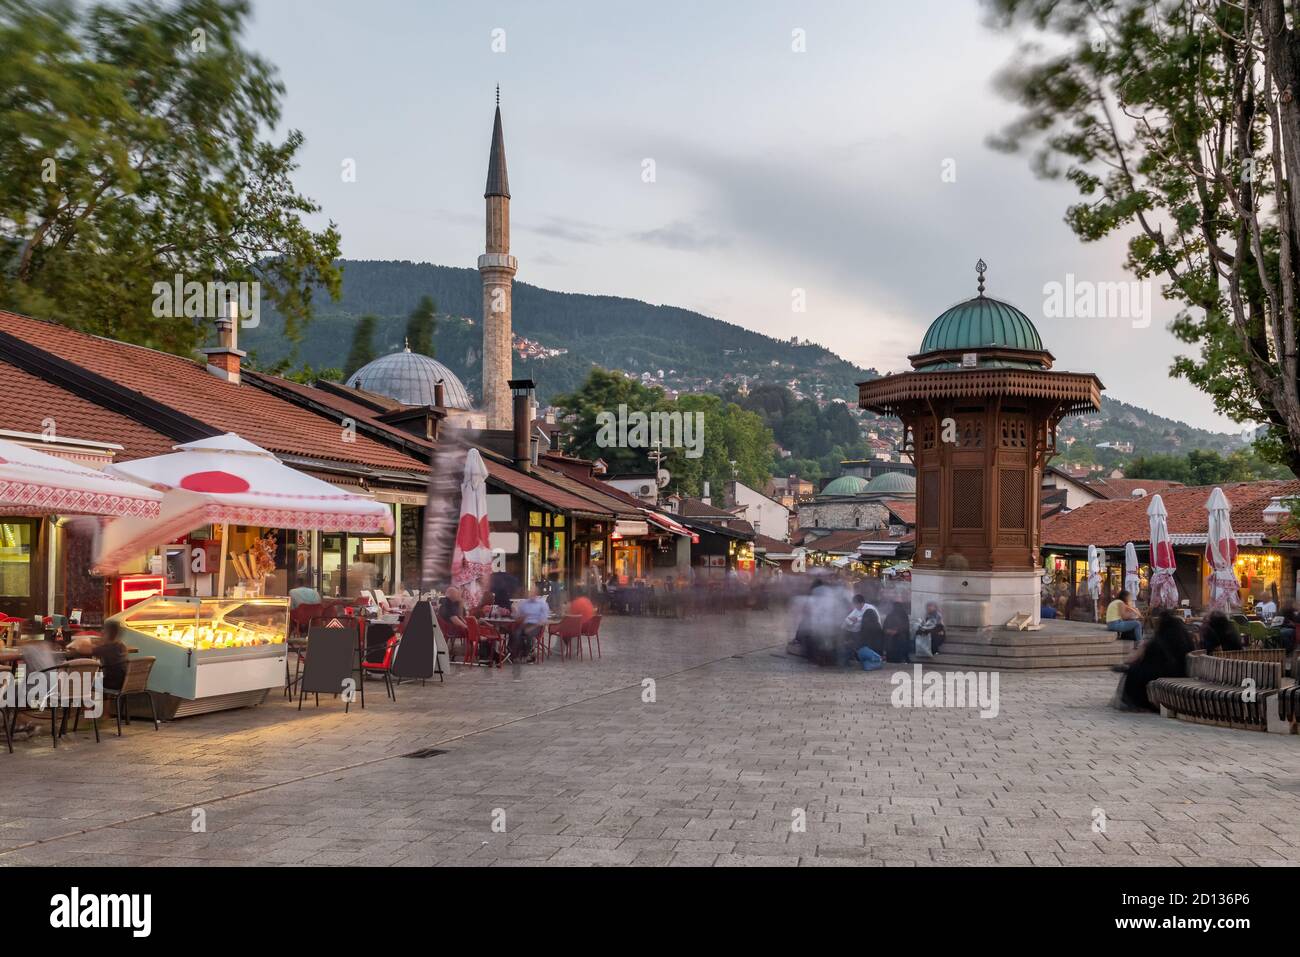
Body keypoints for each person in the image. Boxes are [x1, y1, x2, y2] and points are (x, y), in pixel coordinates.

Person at [1116, 611, 1193, 711]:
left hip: (1164, 673)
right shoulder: (1183, 638)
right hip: (1180, 672)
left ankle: (1139, 703)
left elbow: (1148, 658)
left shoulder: (1160, 640)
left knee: (1134, 672)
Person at [69, 619, 129, 691]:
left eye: (104, 631)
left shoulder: (106, 648)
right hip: (123, 681)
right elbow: (99, 646)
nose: (101, 632)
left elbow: (82, 650)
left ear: (108, 633)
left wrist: (79, 641)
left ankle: (83, 700)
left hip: (111, 683)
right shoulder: (121, 645)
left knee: (84, 680)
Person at [511, 585, 551, 678]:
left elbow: (543, 620)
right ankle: (516, 655)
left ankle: (528, 654)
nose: (531, 594)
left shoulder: (542, 604)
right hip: (525, 624)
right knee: (516, 634)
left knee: (529, 634)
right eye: (530, 592)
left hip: (536, 625)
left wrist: (532, 627)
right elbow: (518, 616)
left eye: (533, 592)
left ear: (536, 593)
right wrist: (516, 613)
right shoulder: (524, 603)